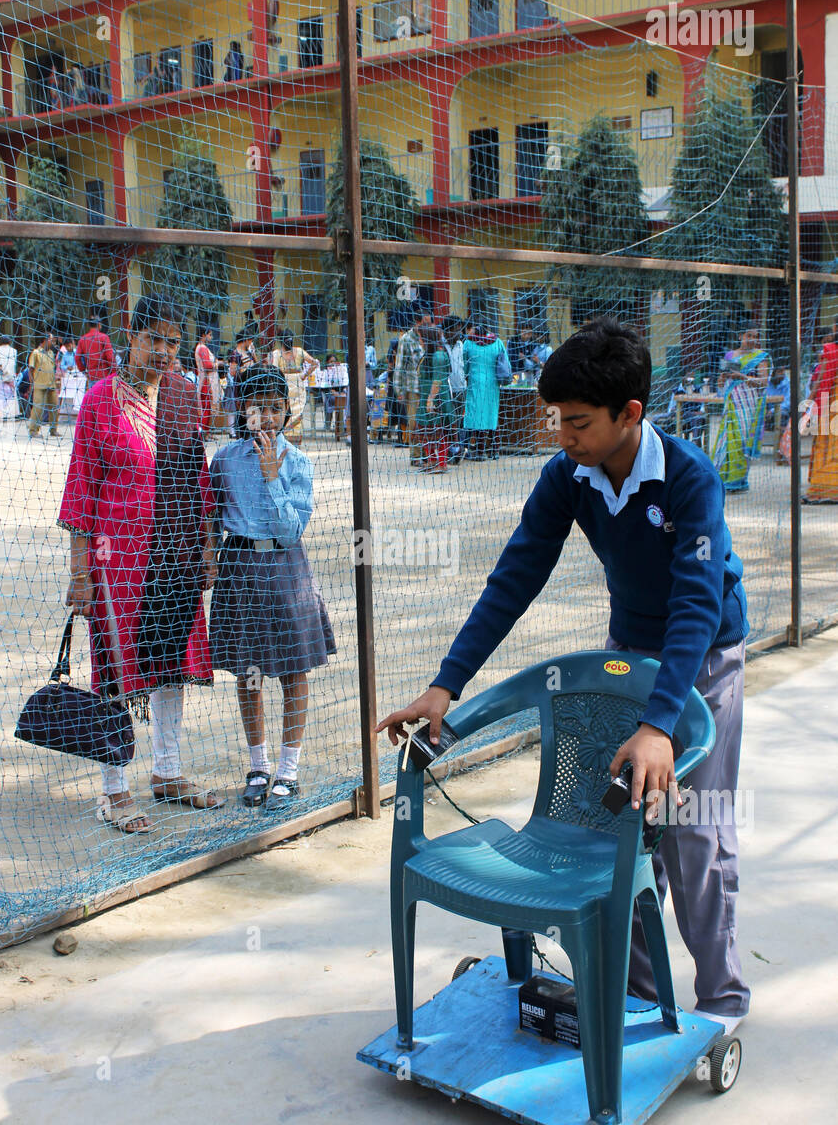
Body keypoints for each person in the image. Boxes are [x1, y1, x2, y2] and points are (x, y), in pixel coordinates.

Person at [377, 316, 751, 1034]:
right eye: (556, 419)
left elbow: (697, 607)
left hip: (701, 663)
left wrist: (658, 724)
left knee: (691, 831)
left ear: (629, 414)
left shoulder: (689, 481)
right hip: (630, 652)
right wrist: (445, 686)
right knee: (621, 829)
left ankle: (723, 1003)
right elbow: (514, 577)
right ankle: (634, 994)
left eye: (577, 422)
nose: (561, 435)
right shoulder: (569, 477)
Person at [60, 294, 224, 832]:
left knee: (172, 661)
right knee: (114, 667)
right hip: (118, 560)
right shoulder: (100, 401)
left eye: (173, 342)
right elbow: (82, 489)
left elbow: (198, 477)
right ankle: (114, 789)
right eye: (155, 338)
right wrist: (80, 573)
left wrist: (204, 549)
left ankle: (168, 773)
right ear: (132, 336)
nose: (164, 351)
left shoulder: (181, 395)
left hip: (174, 550)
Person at [209, 366, 336, 808]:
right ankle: (258, 765)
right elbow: (212, 518)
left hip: (284, 566)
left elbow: (290, 531)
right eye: (257, 407)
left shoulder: (298, 462)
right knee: (249, 671)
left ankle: (288, 769)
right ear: (243, 410)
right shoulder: (224, 460)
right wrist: (208, 558)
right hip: (239, 567)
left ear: (287, 411)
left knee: (293, 669)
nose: (266, 417)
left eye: (275, 408)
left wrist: (271, 477)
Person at [710, 326, 771, 492]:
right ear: (740, 336)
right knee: (726, 438)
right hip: (731, 402)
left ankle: (739, 481)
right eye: (748, 335)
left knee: (741, 440)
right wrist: (722, 379)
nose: (752, 339)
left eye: (755, 336)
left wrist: (742, 377)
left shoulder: (761, 357)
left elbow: (764, 382)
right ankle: (722, 479)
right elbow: (721, 384)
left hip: (749, 403)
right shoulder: (729, 356)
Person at [800, 323, 838, 501]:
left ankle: (825, 487)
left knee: (825, 444)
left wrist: (808, 404)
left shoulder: (830, 351)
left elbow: (821, 379)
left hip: (830, 403)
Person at [462, 319, 507, 460]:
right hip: (493, 384)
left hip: (475, 382)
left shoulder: (469, 343)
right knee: (492, 414)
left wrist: (466, 375)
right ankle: (494, 450)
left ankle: (479, 452)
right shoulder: (497, 342)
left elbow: (464, 364)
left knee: (477, 416)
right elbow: (505, 362)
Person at [269, 330, 320, 447]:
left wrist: (304, 375)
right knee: (286, 411)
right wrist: (303, 375)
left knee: (295, 412)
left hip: (292, 386)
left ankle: (291, 442)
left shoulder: (280, 353)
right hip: (287, 385)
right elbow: (315, 362)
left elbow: (315, 363)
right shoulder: (280, 353)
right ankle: (284, 440)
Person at [414, 323, 453, 472]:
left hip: (437, 398)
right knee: (423, 429)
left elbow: (437, 380)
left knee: (439, 430)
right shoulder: (428, 353)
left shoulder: (438, 355)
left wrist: (430, 399)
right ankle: (431, 460)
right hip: (426, 397)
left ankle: (442, 463)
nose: (420, 341)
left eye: (421, 338)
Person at [393, 310, 429, 462]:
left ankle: (428, 454)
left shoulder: (431, 336)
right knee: (414, 422)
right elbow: (399, 366)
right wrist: (399, 390)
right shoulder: (406, 339)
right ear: (417, 322)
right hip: (413, 388)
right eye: (425, 323)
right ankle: (415, 455)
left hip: (428, 387)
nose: (428, 325)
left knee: (428, 422)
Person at [441, 315, 466, 464]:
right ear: (448, 331)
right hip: (446, 390)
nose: (459, 333)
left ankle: (457, 449)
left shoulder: (461, 345)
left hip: (461, 389)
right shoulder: (441, 346)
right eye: (456, 330)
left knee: (458, 421)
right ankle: (448, 450)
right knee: (447, 422)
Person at [27, 330, 60, 438]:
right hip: (39, 385)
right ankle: (33, 430)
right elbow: (31, 369)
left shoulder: (51, 353)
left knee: (54, 408)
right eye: (51, 340)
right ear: (45, 340)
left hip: (51, 385)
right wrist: (32, 384)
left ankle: (53, 430)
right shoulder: (36, 353)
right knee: (38, 408)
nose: (53, 342)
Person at [195, 328, 222, 435]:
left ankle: (207, 433)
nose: (211, 337)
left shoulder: (202, 348)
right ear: (203, 335)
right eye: (210, 335)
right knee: (206, 408)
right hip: (206, 382)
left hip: (207, 381)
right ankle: (204, 434)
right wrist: (218, 364)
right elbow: (207, 365)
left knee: (208, 408)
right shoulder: (202, 348)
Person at [76, 317, 115, 384]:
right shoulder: (104, 337)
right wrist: (114, 372)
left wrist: (83, 371)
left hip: (92, 377)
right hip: (105, 376)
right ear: (99, 325)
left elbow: (77, 358)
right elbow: (110, 357)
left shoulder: (83, 339)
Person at [222, 358, 240, 438]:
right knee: (231, 414)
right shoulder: (227, 375)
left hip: (235, 396)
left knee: (234, 414)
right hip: (230, 396)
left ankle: (233, 430)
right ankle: (231, 431)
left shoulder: (237, 376)